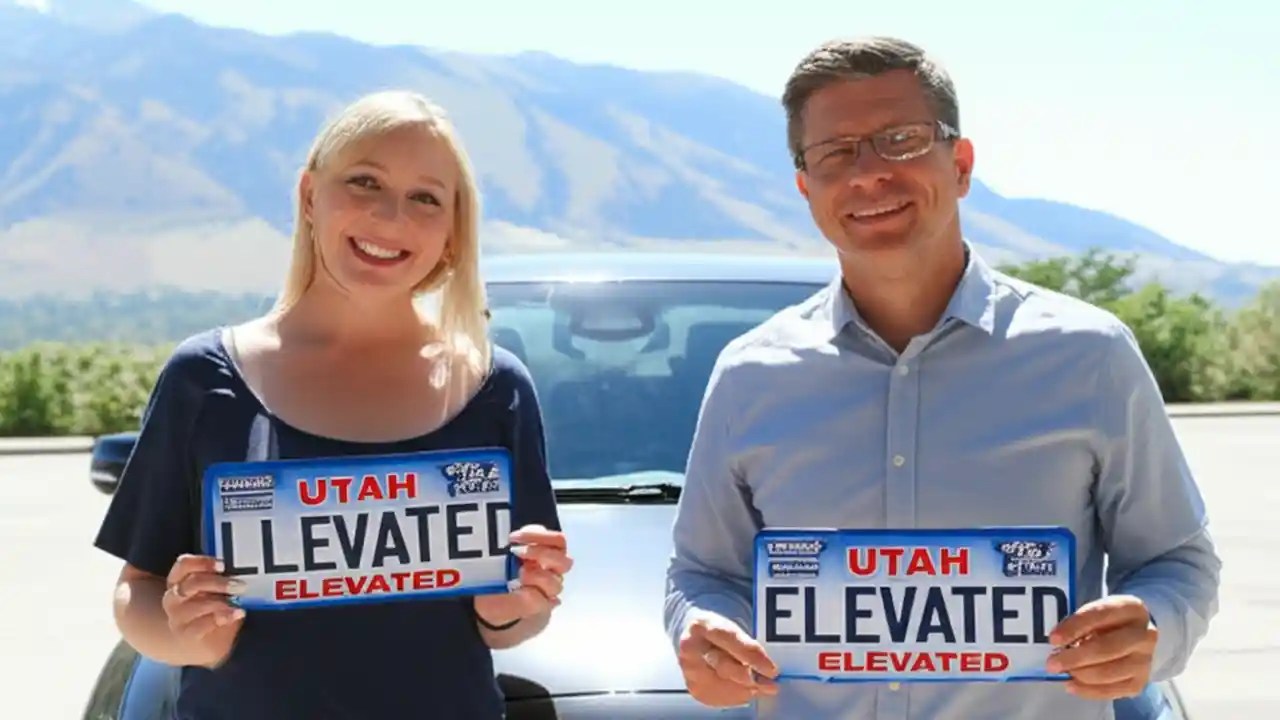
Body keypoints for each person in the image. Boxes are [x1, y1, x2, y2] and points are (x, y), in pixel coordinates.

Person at [663, 36, 1221, 719]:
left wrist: (1155, 630)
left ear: (960, 164)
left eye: (901, 139)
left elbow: (1178, 559)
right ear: (806, 187)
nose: (870, 174)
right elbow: (701, 573)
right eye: (837, 152)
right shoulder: (751, 375)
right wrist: (699, 630)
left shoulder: (1090, 356)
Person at [94, 90, 572, 719]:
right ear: (309, 195)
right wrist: (183, 634)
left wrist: (514, 607)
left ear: (453, 234)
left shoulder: (494, 389)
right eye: (365, 181)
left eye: (426, 197)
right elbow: (137, 595)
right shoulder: (203, 379)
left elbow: (507, 624)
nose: (390, 217)